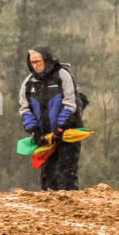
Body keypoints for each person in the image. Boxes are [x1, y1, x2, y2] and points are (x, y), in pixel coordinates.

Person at [17, 45, 81, 191]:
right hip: (45, 138)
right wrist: (34, 131)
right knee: (47, 180)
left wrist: (60, 129)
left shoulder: (62, 76)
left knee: (67, 176)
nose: (35, 65)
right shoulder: (28, 83)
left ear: (46, 60)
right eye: (32, 62)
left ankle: (71, 209)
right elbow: (25, 109)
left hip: (67, 135)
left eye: (38, 61)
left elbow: (70, 105)